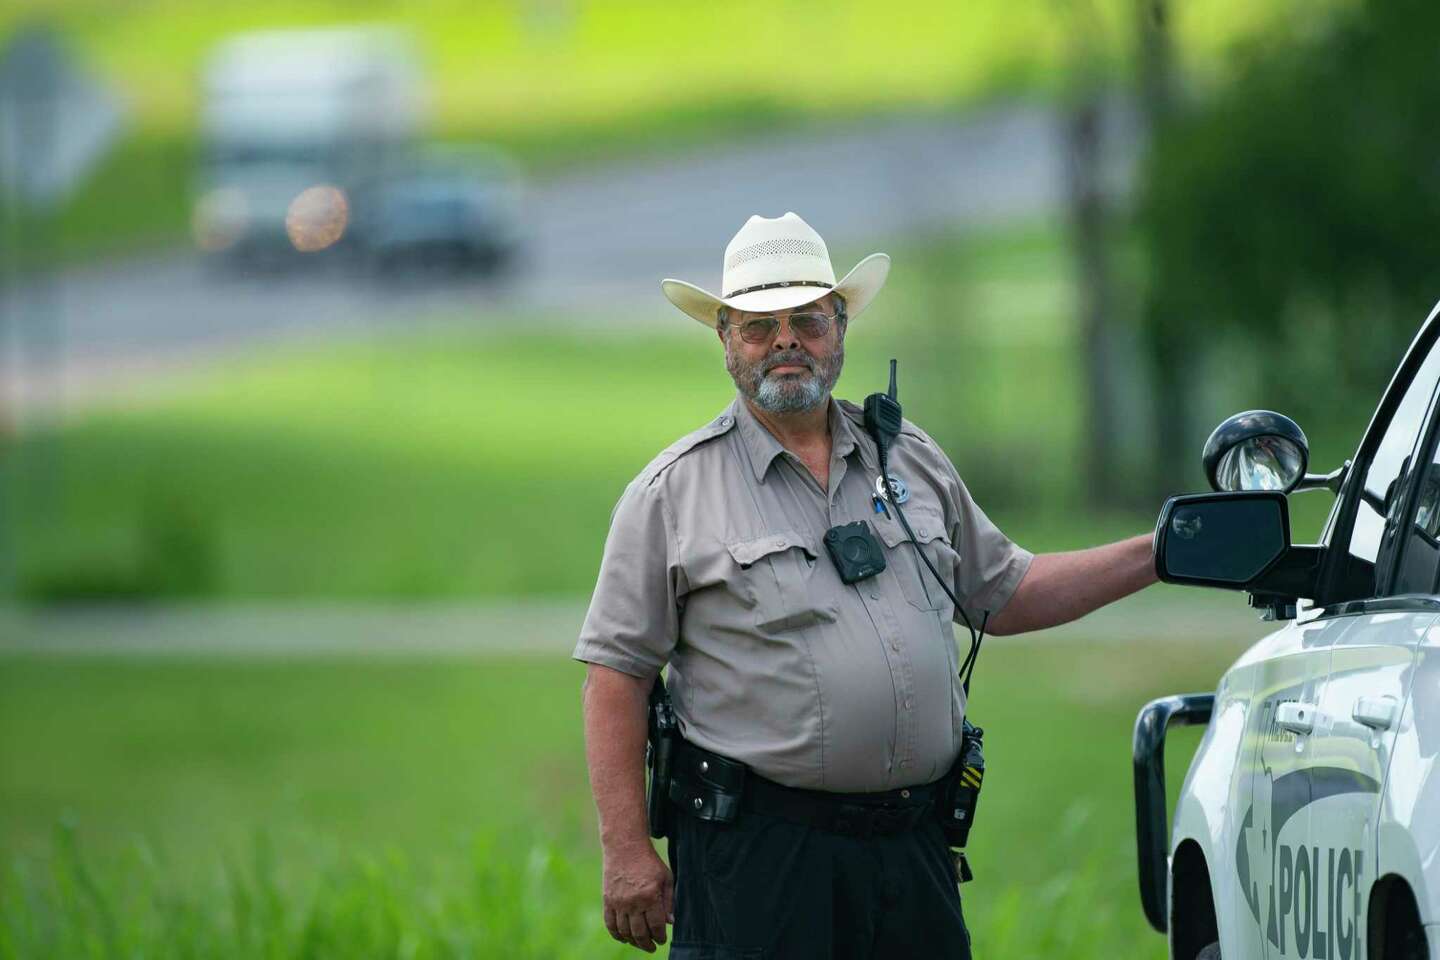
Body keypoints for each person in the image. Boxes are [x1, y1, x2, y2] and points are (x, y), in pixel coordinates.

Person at [573, 212, 1157, 958]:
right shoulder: (672, 493)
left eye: (808, 320)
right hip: (761, 861)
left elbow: (1003, 592)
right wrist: (626, 853)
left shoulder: (909, 458)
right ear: (725, 340)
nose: (785, 341)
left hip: (914, 850)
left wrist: (1157, 552)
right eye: (759, 325)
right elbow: (615, 676)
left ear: (840, 329)